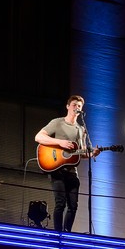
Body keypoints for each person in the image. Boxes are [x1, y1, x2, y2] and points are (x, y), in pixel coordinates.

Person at [34, 95, 98, 232]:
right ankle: (58, 233)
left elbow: (80, 153)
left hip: (71, 172)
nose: (77, 108)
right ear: (68, 106)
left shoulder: (81, 130)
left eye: (79, 106)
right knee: (60, 203)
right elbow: (38, 137)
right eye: (74, 105)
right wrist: (60, 142)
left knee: (73, 205)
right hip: (56, 169)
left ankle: (67, 232)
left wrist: (92, 153)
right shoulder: (57, 123)